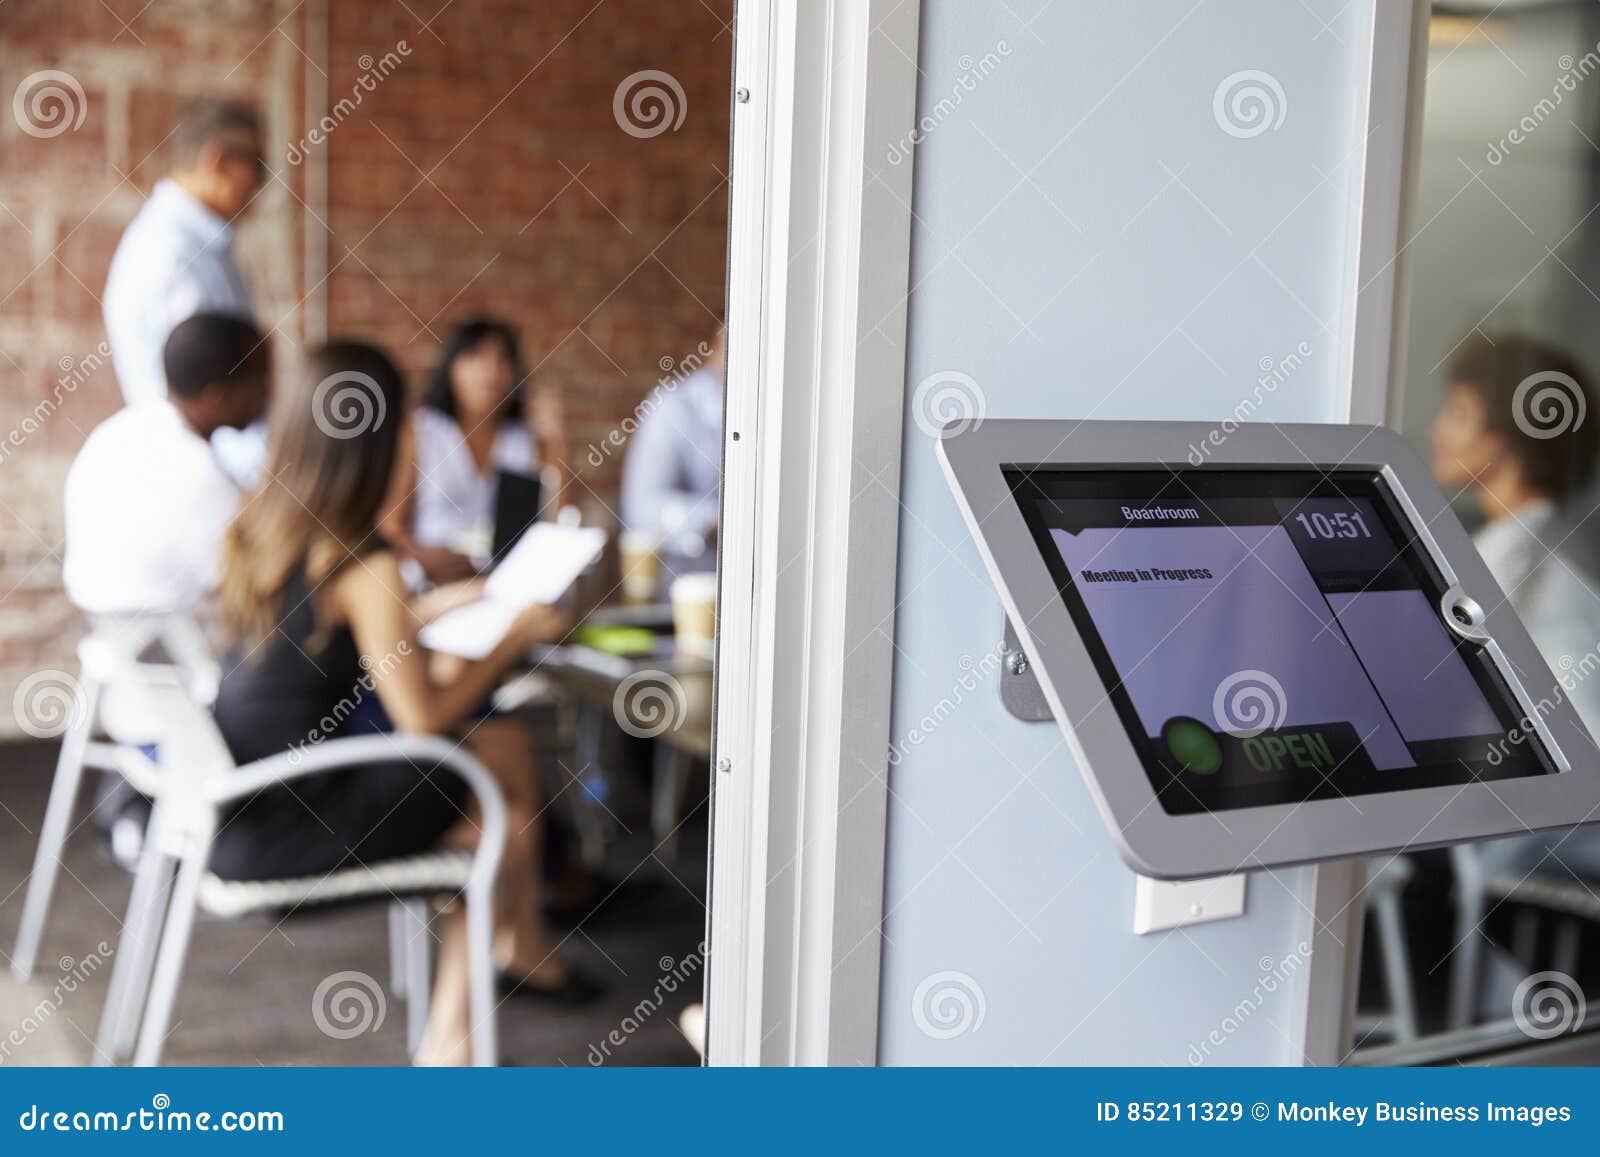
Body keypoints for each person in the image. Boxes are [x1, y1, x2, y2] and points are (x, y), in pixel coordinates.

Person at [211, 341, 596, 1067]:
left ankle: (508, 967)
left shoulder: (267, 532)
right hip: (297, 826)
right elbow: (424, 716)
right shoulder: (365, 559)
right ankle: (454, 1044)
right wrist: (512, 635)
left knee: (492, 758)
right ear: (380, 443)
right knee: (498, 816)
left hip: (239, 809)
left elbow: (320, 636)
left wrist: (436, 605)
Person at [1431, 333, 1600, 873]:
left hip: (1531, 853)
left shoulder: (1535, 562)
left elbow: (1584, 734)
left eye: (1459, 413)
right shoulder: (1517, 547)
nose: (1438, 430)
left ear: (1507, 437)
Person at [102, 98, 268, 485]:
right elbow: (209, 399)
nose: (260, 185)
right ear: (219, 160)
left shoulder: (201, 245)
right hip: (198, 478)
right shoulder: (170, 256)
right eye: (258, 167)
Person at [63, 312, 269, 616]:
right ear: (218, 398)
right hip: (185, 651)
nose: (268, 393)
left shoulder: (112, 434)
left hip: (107, 644)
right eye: (260, 380)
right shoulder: (199, 477)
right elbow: (257, 585)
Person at [380, 317, 564, 592]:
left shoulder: (521, 438)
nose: (490, 372)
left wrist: (556, 439)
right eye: (476, 357)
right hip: (431, 584)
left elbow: (559, 520)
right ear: (451, 367)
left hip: (503, 582)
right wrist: (426, 556)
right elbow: (389, 526)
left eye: (502, 360)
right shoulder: (422, 431)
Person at [620, 323, 724, 570]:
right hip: (689, 579)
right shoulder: (672, 407)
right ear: (715, 347)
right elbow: (641, 510)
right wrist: (715, 519)